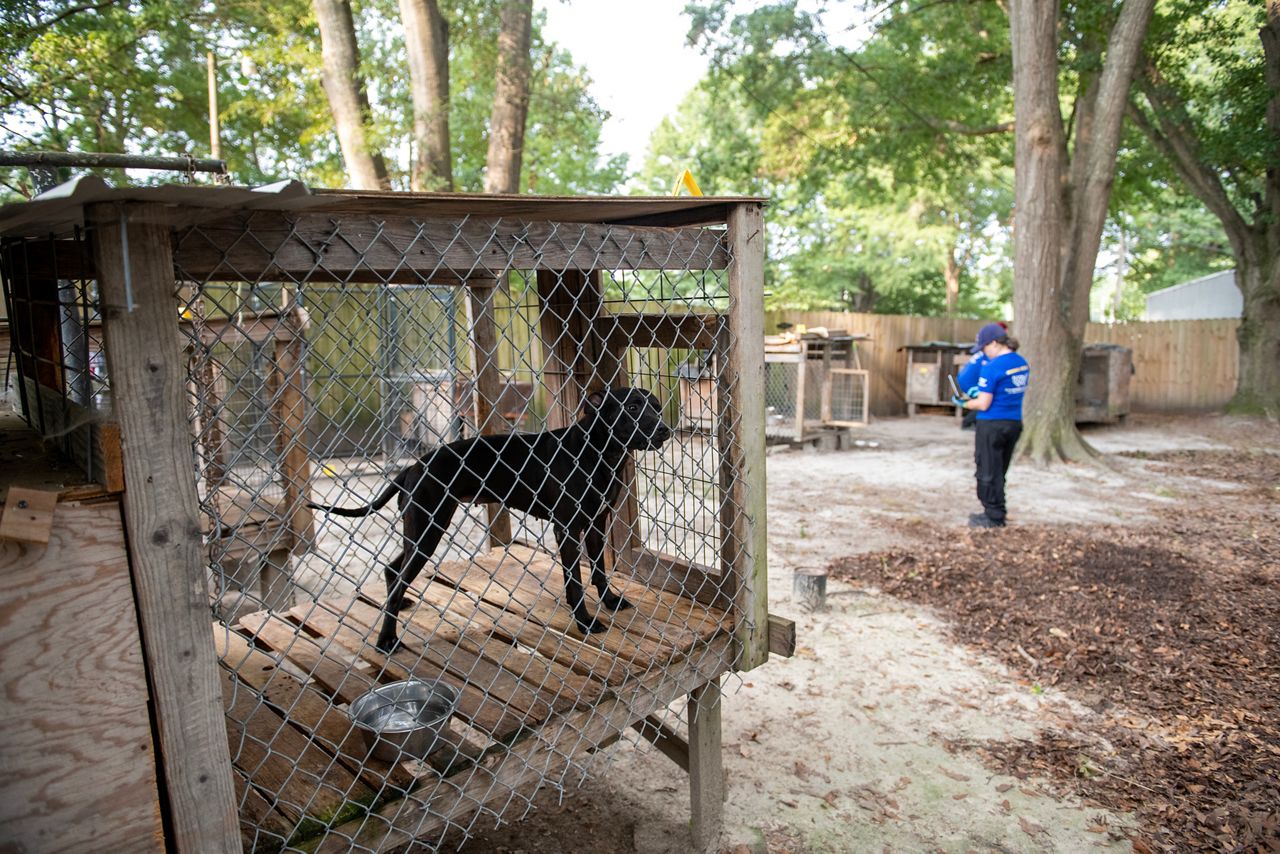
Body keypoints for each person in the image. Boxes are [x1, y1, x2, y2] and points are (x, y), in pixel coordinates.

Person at [952, 322, 1028, 528]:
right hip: (1013, 423)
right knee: (999, 470)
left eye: (984, 347)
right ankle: (998, 510)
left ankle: (992, 516)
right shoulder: (1021, 363)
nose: (984, 353)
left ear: (994, 343)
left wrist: (965, 402)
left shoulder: (992, 367)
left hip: (992, 424)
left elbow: (983, 403)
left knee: (986, 469)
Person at [954, 321, 1009, 430]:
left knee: (986, 399)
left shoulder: (987, 351)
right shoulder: (990, 353)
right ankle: (967, 423)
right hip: (969, 383)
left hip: (966, 380)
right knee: (986, 400)